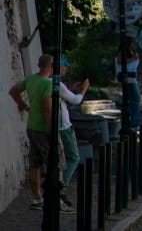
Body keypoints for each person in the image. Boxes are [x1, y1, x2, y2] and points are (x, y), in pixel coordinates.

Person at [8, 54, 56, 210]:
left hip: (31, 127)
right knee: (55, 162)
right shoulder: (47, 84)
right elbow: (48, 110)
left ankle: (36, 197)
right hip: (43, 129)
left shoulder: (31, 80)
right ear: (50, 66)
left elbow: (13, 91)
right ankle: (55, 197)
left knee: (34, 164)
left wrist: (23, 105)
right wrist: (52, 131)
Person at [57, 57, 89, 210]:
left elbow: (64, 98)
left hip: (59, 126)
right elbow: (76, 101)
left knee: (63, 159)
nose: (66, 69)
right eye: (65, 67)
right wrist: (84, 89)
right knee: (74, 157)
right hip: (64, 127)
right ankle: (61, 189)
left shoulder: (57, 84)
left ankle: (60, 188)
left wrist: (70, 89)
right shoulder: (58, 84)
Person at [116, 30, 141, 130]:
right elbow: (119, 61)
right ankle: (134, 122)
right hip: (128, 77)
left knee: (134, 98)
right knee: (136, 98)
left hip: (132, 76)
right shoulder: (123, 49)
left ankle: (133, 121)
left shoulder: (131, 49)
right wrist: (133, 59)